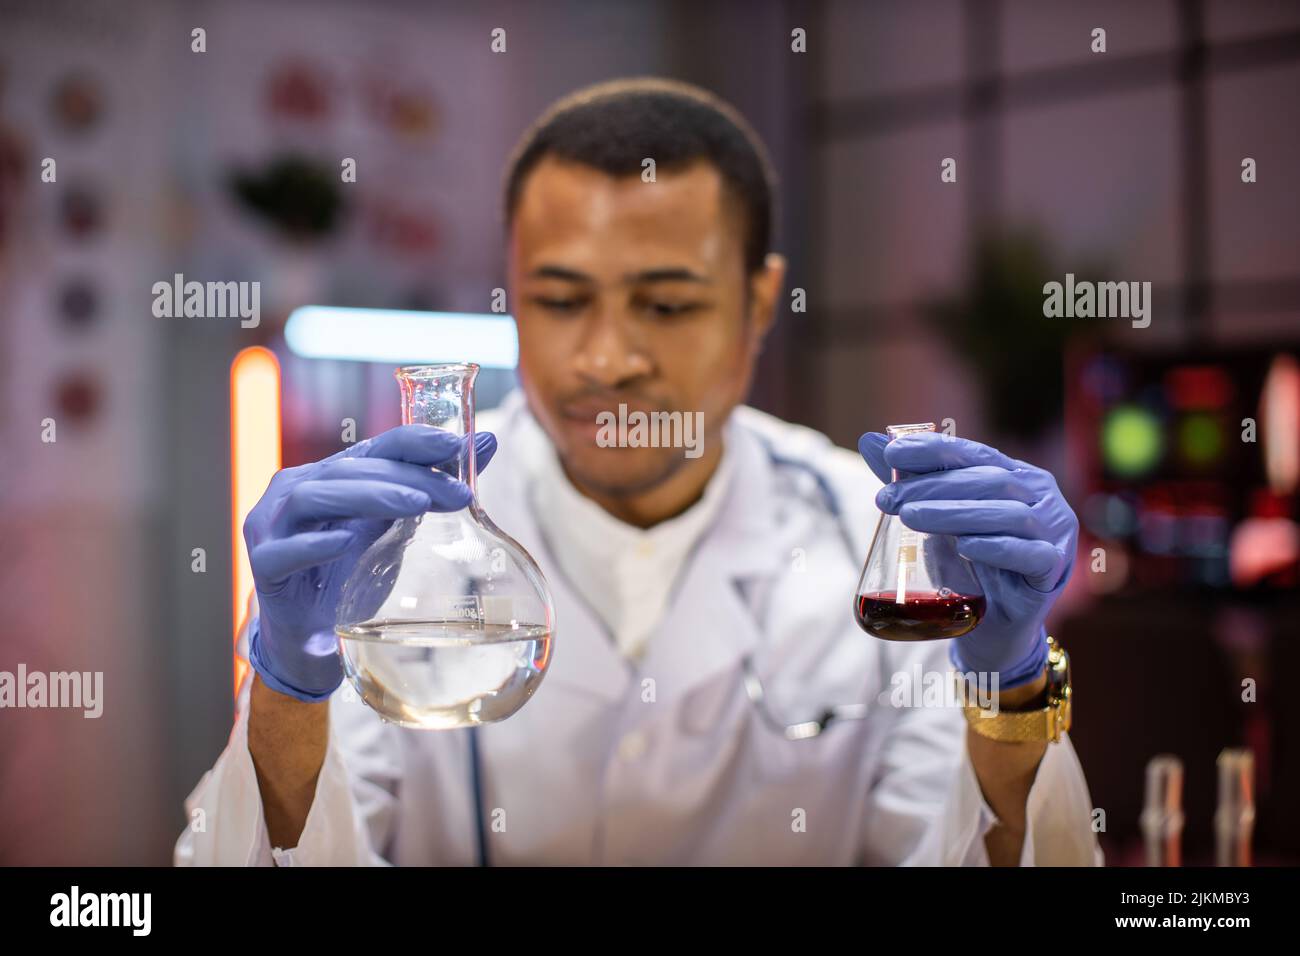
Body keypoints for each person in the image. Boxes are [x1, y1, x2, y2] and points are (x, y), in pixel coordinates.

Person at [176, 77, 1102, 866]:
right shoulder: (394, 553)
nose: (608, 359)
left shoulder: (880, 541)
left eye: (664, 302)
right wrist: (290, 681)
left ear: (757, 300)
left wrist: (1009, 682)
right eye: (561, 299)